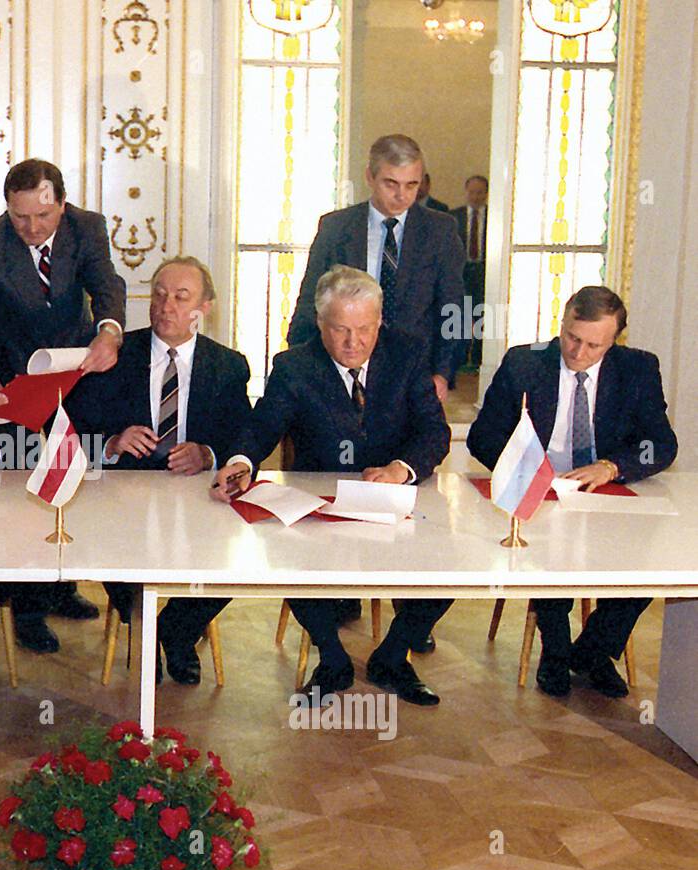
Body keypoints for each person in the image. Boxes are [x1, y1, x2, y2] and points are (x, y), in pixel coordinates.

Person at [211, 266, 452, 706]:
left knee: (452, 565)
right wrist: (241, 461)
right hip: (321, 502)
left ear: (380, 322)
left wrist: (401, 467)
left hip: (394, 497)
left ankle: (394, 657)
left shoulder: (409, 354)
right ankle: (333, 657)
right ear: (320, 325)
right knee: (284, 553)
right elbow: (263, 425)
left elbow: (435, 433)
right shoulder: (294, 365)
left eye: (364, 329)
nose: (352, 342)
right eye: (340, 329)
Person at [467, 286, 678, 699]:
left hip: (604, 488)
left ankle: (592, 652)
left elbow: (662, 444)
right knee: (548, 553)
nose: (578, 352)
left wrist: (612, 466)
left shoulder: (637, 369)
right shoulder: (524, 362)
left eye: (593, 345)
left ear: (615, 341)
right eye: (571, 338)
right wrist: (526, 470)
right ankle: (556, 651)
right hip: (540, 490)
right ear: (561, 325)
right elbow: (482, 437)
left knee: (647, 568)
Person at [0, 157, 128, 650]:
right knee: (23, 489)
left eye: (43, 217)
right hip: (15, 372)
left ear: (62, 205)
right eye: (20, 217)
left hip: (77, 369)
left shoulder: (88, 227)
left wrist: (110, 333)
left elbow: (107, 286)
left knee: (73, 477)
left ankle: (64, 585)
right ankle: (27, 607)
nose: (32, 228)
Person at [76, 256, 250, 684]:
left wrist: (208, 454)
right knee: (107, 546)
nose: (165, 306)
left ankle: (174, 631)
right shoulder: (115, 358)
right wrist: (113, 444)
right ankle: (142, 627)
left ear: (204, 307)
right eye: (158, 294)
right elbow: (71, 434)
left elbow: (245, 437)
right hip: (123, 498)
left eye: (180, 297)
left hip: (196, 497)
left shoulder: (228, 366)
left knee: (234, 556)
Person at [288, 134, 466, 405]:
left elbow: (453, 307)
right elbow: (311, 299)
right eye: (390, 183)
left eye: (412, 185)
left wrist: (442, 373)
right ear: (370, 177)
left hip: (412, 367)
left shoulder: (440, 230)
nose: (401, 195)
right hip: (342, 363)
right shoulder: (337, 227)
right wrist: (299, 363)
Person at [450, 175, 488, 375]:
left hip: (484, 272)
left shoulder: (494, 216)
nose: (475, 196)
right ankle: (461, 357)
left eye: (480, 192)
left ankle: (479, 359)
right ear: (466, 192)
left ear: (486, 194)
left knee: (482, 313)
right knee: (461, 314)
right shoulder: (454, 217)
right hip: (460, 272)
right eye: (472, 192)